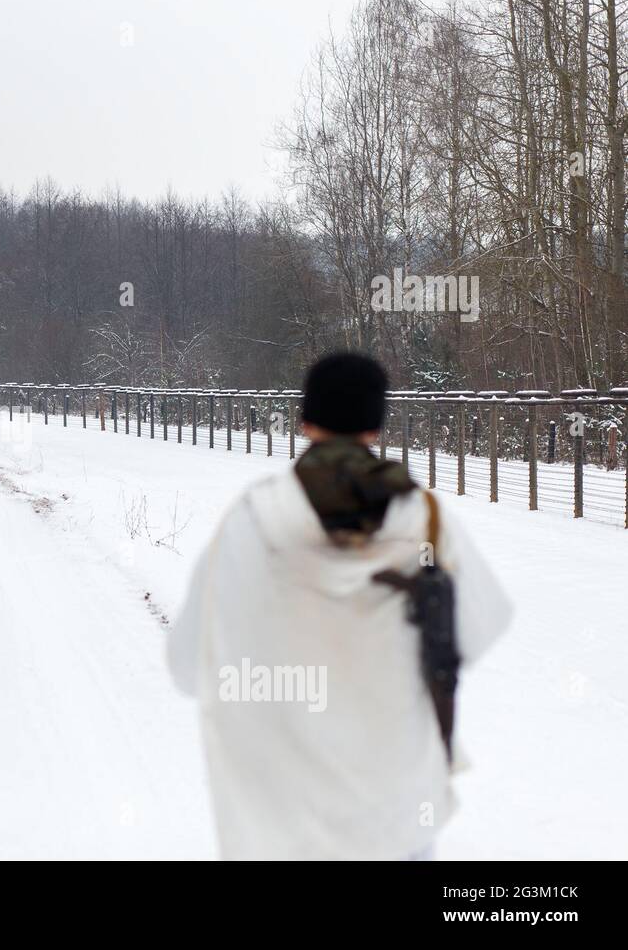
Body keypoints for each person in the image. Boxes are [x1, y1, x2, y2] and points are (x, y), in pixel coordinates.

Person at [167, 352, 512, 860]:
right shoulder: (426, 519)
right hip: (395, 804)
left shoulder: (254, 517)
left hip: (282, 814)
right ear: (376, 424)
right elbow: (474, 631)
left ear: (305, 418)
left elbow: (189, 663)